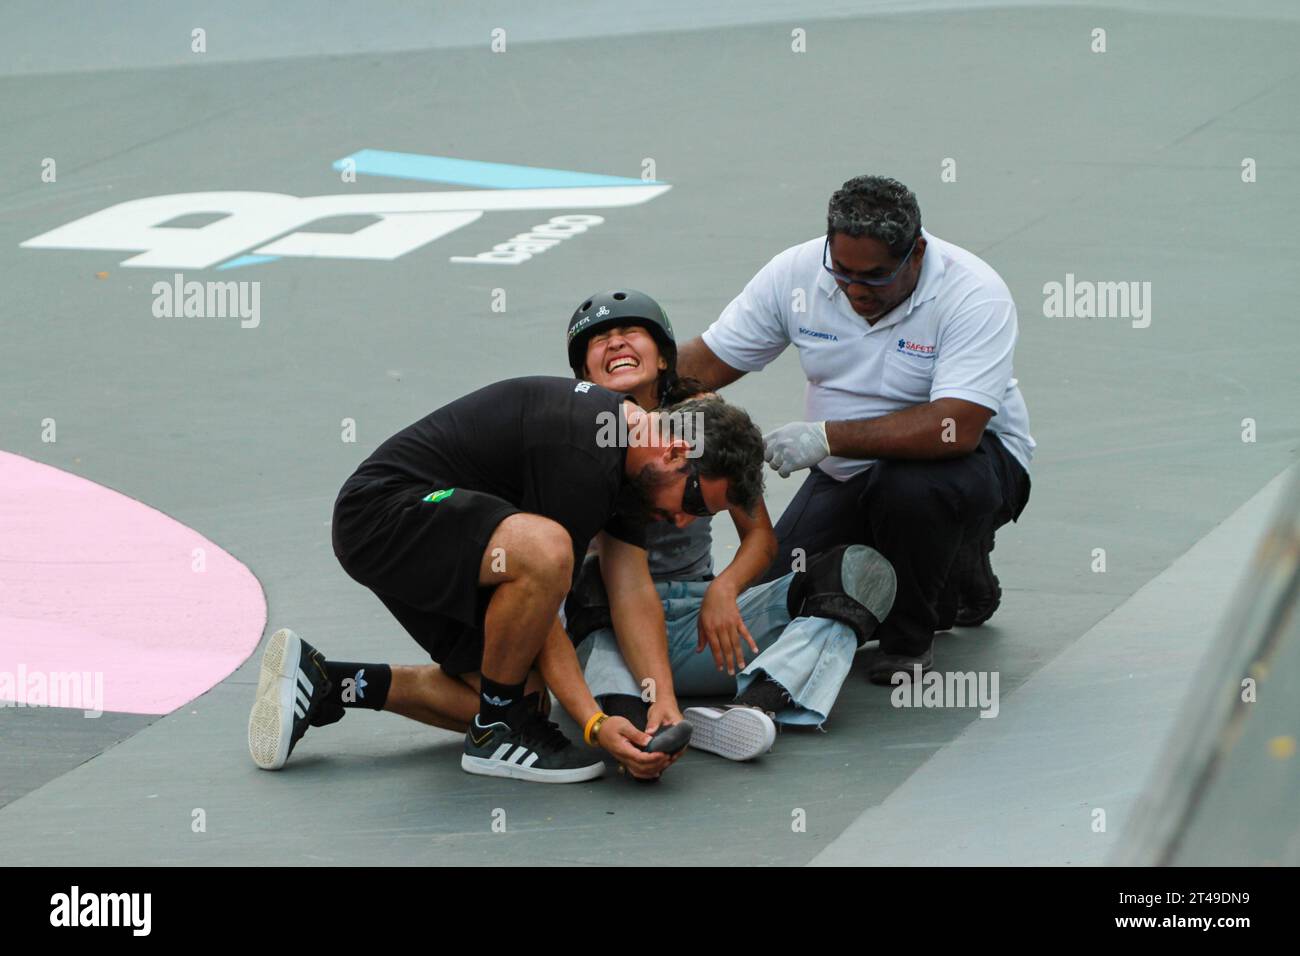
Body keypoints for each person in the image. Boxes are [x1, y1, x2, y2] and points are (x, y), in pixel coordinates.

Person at [247, 375, 765, 782]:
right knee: (547, 552)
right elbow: (544, 599)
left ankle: (326, 682)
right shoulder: (585, 450)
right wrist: (593, 722)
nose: (684, 522)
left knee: (526, 697)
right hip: (384, 513)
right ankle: (496, 730)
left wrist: (662, 701)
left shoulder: (633, 467)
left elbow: (631, 590)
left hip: (450, 538)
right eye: (695, 503)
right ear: (675, 452)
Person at [675, 176, 1035, 684]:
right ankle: (954, 573)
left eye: (876, 277)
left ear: (916, 254)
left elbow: (957, 426)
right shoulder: (795, 274)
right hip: (847, 471)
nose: (857, 290)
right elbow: (707, 362)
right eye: (843, 272)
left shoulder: (974, 292)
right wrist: (618, 388)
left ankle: (909, 640)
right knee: (784, 591)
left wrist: (826, 438)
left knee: (907, 493)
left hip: (973, 464)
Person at [563, 290, 897, 760]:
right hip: (612, 633)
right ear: (584, 374)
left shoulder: (706, 421)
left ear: (664, 357)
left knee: (859, 571)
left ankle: (754, 706)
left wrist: (725, 589)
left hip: (699, 621)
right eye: (600, 340)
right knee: (588, 578)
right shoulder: (574, 433)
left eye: (630, 332)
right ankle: (640, 732)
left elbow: (760, 536)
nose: (615, 343)